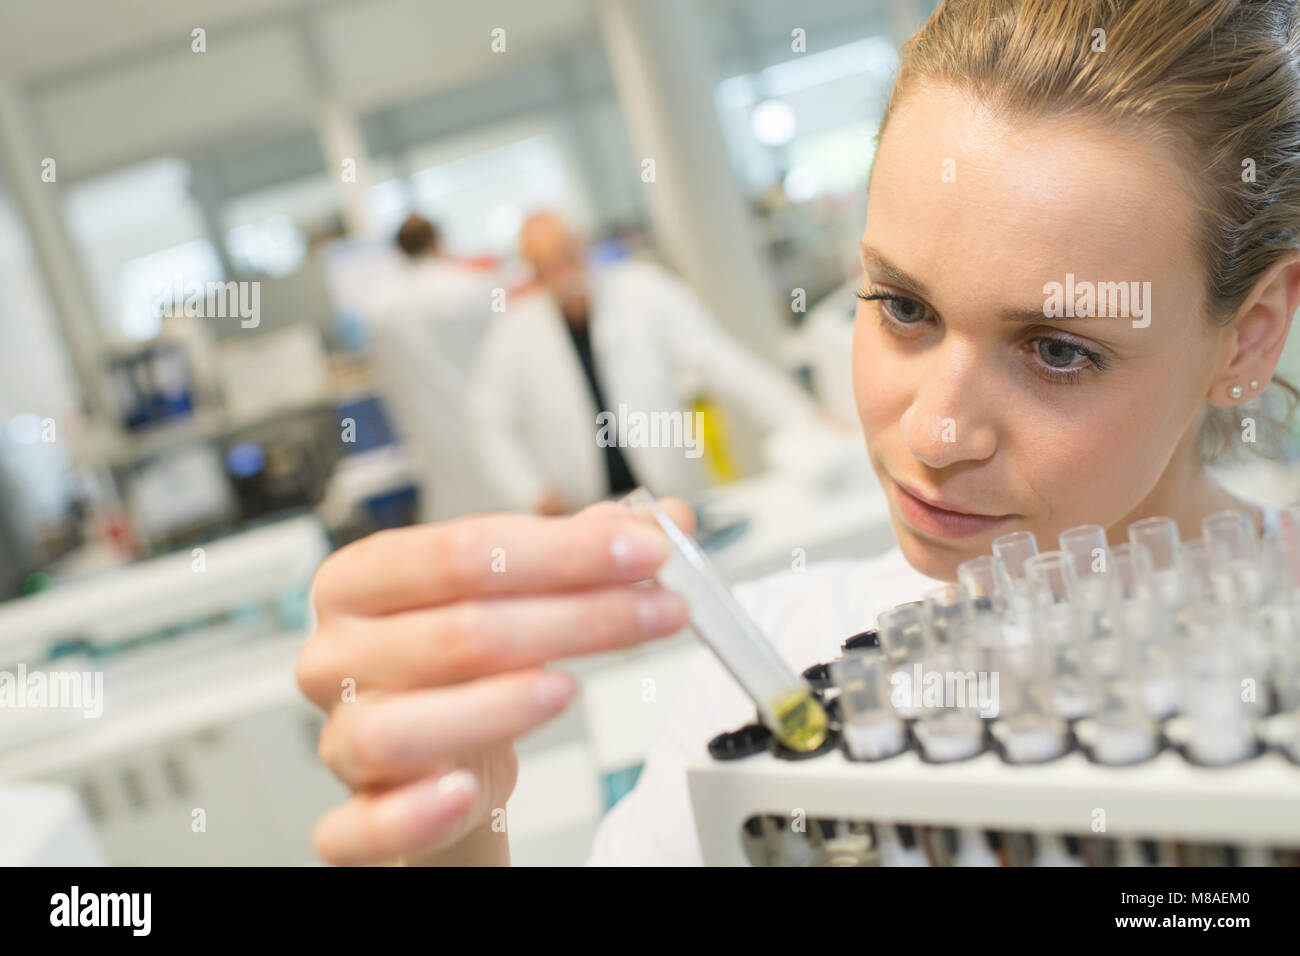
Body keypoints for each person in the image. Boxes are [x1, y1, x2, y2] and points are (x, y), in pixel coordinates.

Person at [295, 0, 1300, 866]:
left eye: (1056, 350)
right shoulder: (776, 657)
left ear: (1246, 337)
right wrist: (448, 838)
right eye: (903, 308)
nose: (938, 430)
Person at [468, 211, 821, 515]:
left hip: (670, 492)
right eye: (548, 268)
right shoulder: (514, 333)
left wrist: (802, 418)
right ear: (533, 273)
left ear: (585, 247)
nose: (563, 274)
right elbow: (490, 423)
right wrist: (532, 493)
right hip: (585, 508)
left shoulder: (645, 291)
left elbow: (721, 363)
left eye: (567, 257)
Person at [368, 214, 501, 520]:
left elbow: (389, 384)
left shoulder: (383, 310)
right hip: (486, 433)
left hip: (433, 447)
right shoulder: (472, 287)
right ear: (437, 241)